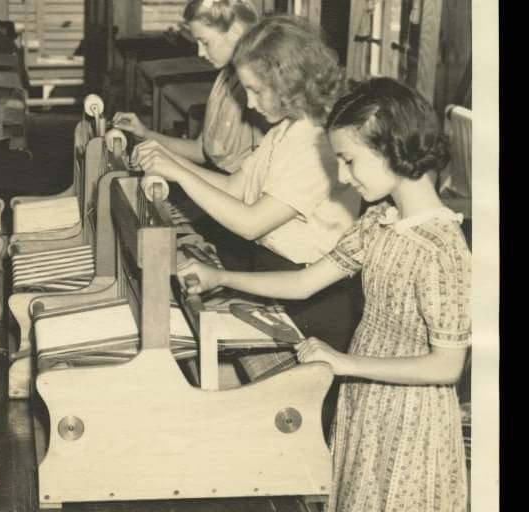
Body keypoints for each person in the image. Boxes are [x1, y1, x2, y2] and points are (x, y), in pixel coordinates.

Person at [180, 77, 470, 511]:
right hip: (365, 398)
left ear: (392, 147)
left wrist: (345, 362)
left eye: (349, 160)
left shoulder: (443, 248)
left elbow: (447, 366)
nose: (341, 175)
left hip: (410, 415)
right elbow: (303, 281)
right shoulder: (380, 223)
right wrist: (221, 278)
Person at [136, 15, 361, 353]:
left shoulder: (321, 144)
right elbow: (233, 189)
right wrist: (168, 161)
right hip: (274, 275)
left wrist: (179, 172)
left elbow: (251, 223)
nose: (250, 104)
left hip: (314, 298)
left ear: (289, 81)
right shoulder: (285, 130)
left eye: (256, 91)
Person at [114, 0, 267, 176]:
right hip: (217, 184)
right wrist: (145, 133)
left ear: (235, 33)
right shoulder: (224, 79)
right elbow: (201, 151)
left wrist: (173, 167)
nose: (200, 53)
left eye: (205, 42)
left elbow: (244, 187)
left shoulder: (258, 94)